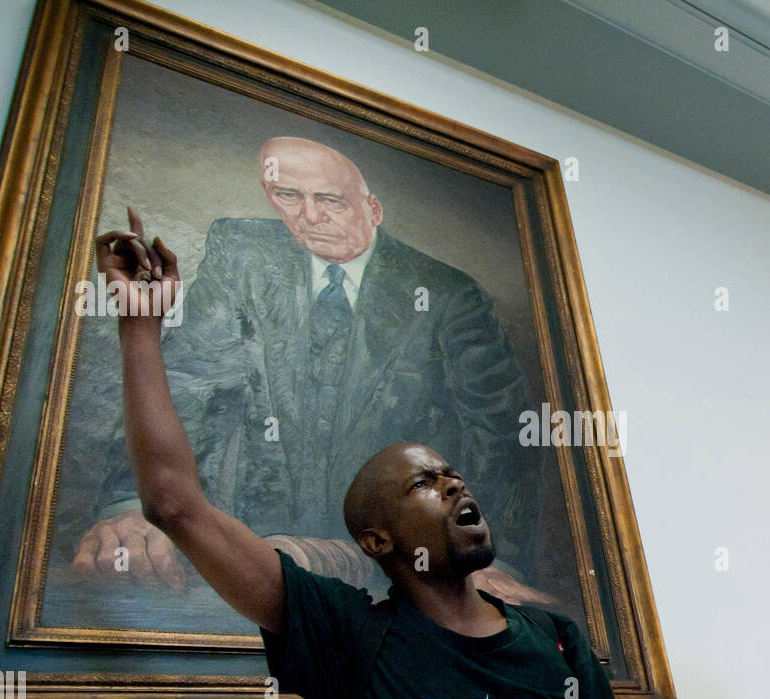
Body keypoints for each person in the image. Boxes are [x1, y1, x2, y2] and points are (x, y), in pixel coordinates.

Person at [93, 212, 663, 699]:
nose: (454, 486)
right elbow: (176, 505)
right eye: (425, 482)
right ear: (376, 539)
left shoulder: (558, 643)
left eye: (453, 475)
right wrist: (140, 326)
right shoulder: (351, 638)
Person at [75, 137, 542, 600]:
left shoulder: (447, 293)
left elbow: (498, 432)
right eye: (288, 196)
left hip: (398, 570)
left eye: (330, 200)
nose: (310, 217)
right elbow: (190, 380)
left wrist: (488, 556)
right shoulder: (240, 252)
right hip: (252, 563)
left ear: (373, 209)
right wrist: (132, 505)